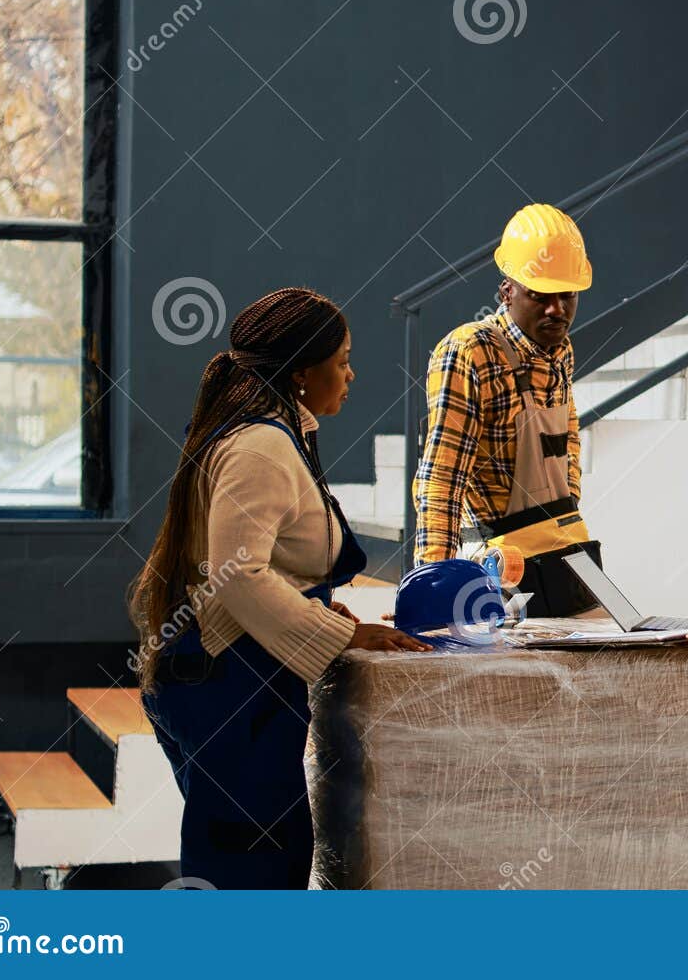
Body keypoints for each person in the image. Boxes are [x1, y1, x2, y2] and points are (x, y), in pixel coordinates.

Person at [129, 287, 430, 890]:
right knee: (253, 864)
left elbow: (256, 558)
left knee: (259, 853)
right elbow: (237, 572)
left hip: (235, 675)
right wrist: (343, 632)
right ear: (301, 373)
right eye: (342, 360)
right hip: (231, 683)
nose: (351, 373)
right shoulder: (261, 443)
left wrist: (308, 594)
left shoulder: (269, 432)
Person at [412, 203, 602, 617]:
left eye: (567, 295)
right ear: (507, 291)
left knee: (626, 657)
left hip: (574, 556)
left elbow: (566, 443)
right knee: (504, 681)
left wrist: (565, 517)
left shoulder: (559, 350)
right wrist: (433, 589)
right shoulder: (469, 351)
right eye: (540, 295)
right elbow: (441, 478)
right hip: (505, 572)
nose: (557, 310)